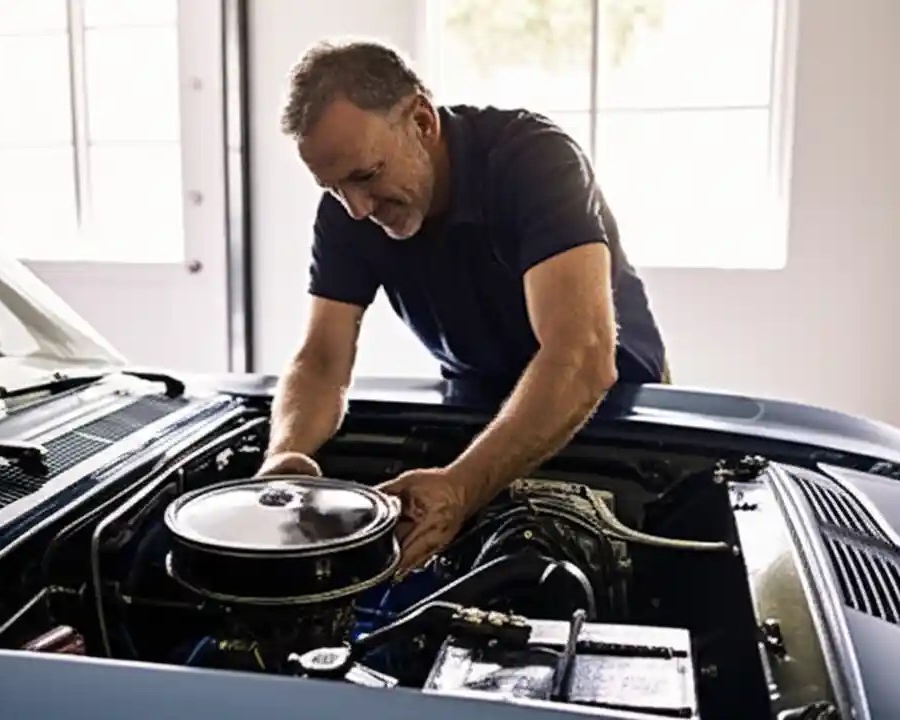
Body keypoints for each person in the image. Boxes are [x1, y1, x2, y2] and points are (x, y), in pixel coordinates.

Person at [257, 39, 667, 577]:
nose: (356, 209)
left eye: (365, 176)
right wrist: (284, 457)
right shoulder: (348, 210)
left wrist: (462, 486)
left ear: (422, 122)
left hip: (614, 414)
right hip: (475, 409)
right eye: (332, 189)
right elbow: (321, 360)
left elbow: (583, 355)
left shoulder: (535, 160)